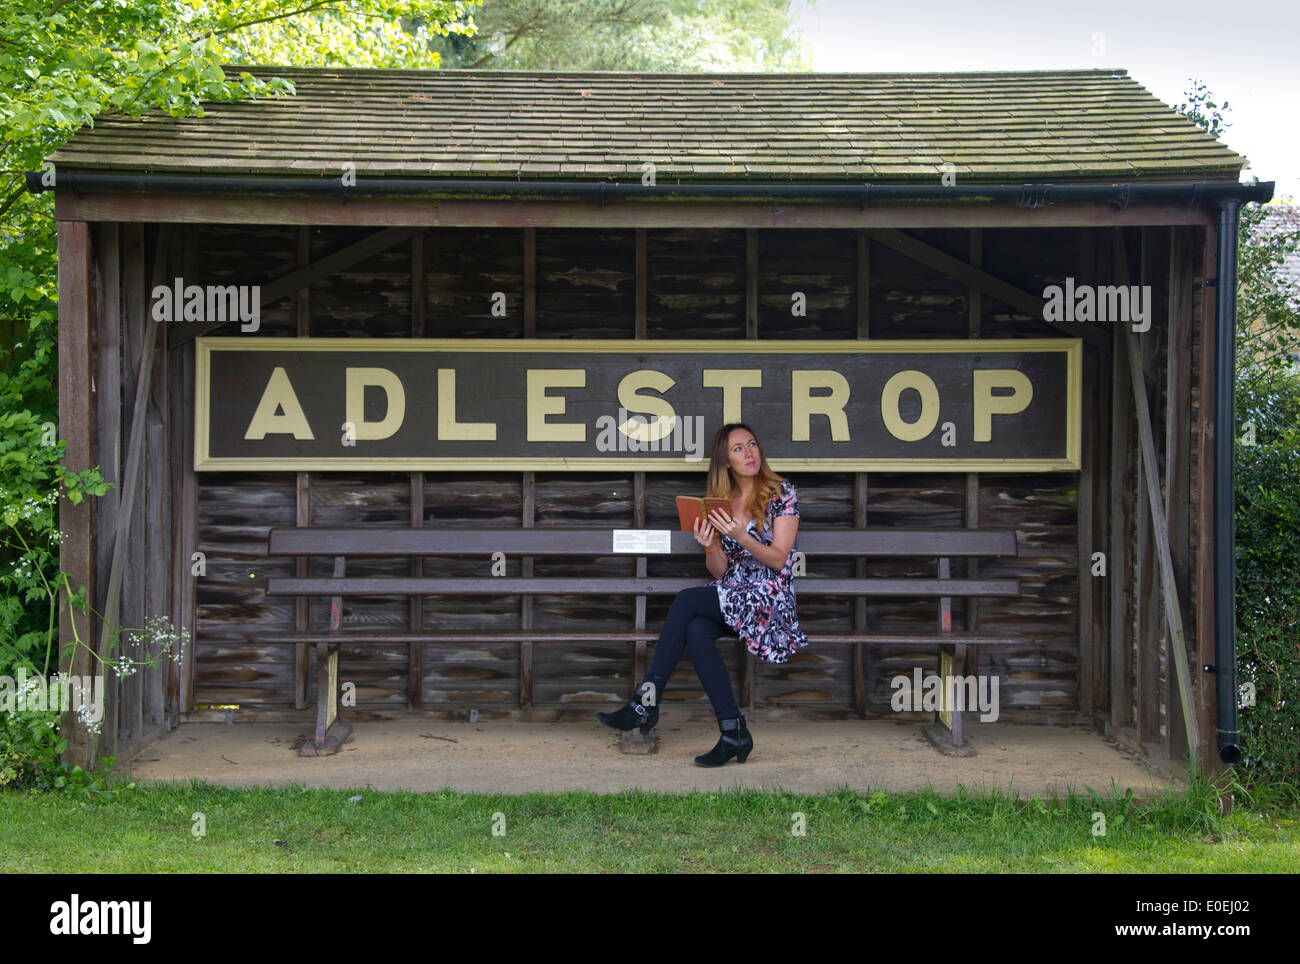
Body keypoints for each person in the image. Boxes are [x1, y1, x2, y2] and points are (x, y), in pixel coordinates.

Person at [597, 422, 808, 766]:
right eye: (738, 449)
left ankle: (644, 703)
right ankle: (733, 731)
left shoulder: (780, 492)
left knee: (686, 600)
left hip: (769, 599)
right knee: (696, 630)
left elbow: (779, 557)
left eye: (752, 444)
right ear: (725, 461)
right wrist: (711, 545)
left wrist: (742, 537)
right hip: (734, 593)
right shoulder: (721, 503)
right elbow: (721, 572)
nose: (749, 453)